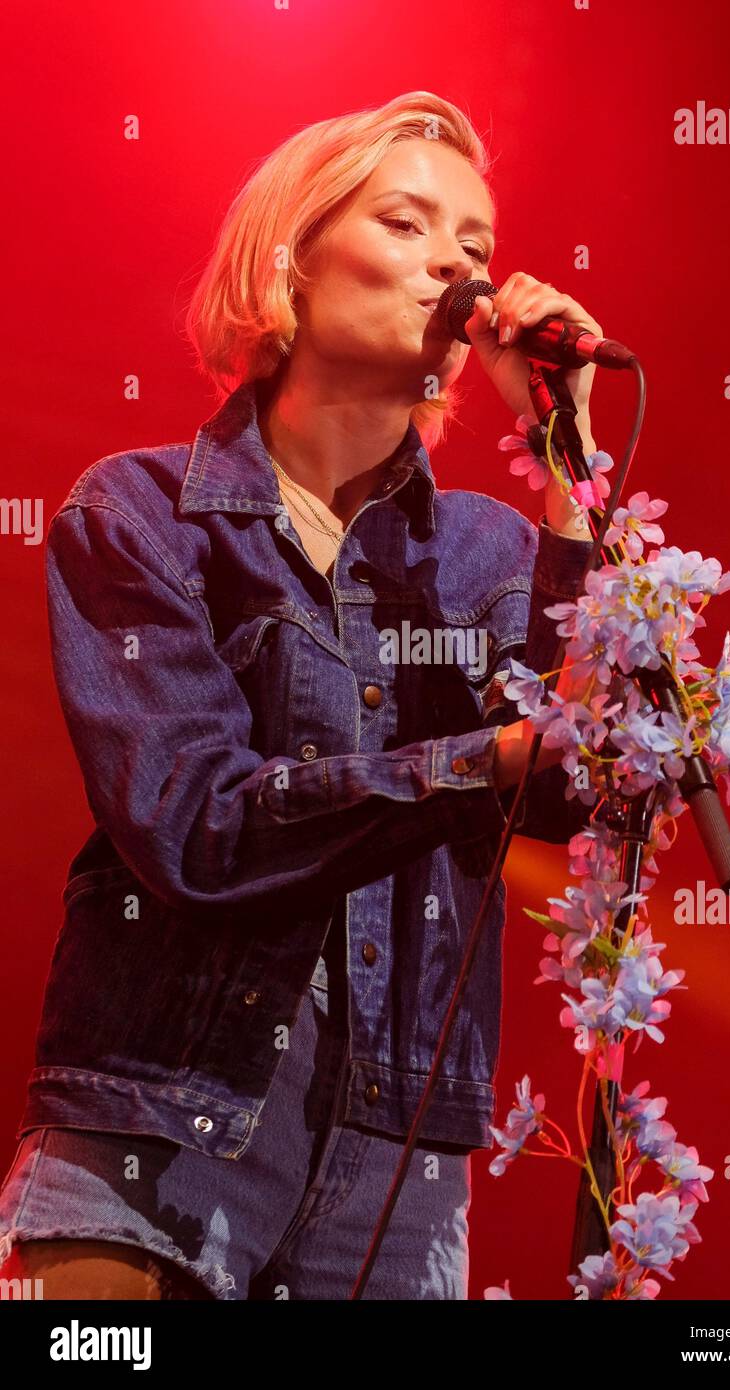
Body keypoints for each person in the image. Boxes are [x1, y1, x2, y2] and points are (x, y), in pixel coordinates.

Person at [0, 91, 606, 1300]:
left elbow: (565, 785)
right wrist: (479, 757)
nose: (458, 264)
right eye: (406, 221)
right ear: (289, 254)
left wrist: (567, 477)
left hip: (396, 1175)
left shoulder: (490, 553)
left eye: (477, 245)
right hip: (156, 1134)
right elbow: (197, 824)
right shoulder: (137, 512)